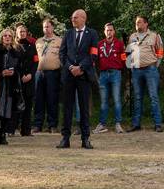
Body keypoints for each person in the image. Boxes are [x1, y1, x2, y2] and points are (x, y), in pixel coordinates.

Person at [57, 9, 97, 149]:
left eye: (75, 17)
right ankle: (65, 138)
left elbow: (93, 54)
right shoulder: (68, 33)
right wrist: (70, 68)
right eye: (72, 17)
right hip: (69, 75)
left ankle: (85, 138)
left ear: (83, 18)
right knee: (67, 107)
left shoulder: (92, 33)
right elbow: (62, 54)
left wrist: (80, 68)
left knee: (84, 107)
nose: (72, 19)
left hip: (84, 75)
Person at [125, 15, 164, 132]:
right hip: (136, 71)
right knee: (137, 97)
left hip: (150, 70)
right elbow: (128, 52)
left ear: (146, 24)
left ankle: (157, 124)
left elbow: (160, 51)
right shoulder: (132, 36)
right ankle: (136, 124)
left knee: (153, 97)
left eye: (140, 22)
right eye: (136, 23)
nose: (137, 24)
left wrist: (155, 65)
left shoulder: (155, 36)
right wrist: (131, 66)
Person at [0, 29, 23, 144]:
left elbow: (19, 68)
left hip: (10, 86)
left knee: (6, 111)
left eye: (9, 36)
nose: (7, 38)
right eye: (5, 36)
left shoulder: (16, 53)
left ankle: (3, 135)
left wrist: (13, 73)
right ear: (1, 38)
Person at [94, 23, 126, 134]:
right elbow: (95, 60)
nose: (109, 32)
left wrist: (121, 69)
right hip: (103, 75)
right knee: (103, 101)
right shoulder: (99, 44)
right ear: (104, 32)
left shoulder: (120, 44)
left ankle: (118, 124)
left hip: (115, 74)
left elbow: (124, 59)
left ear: (114, 32)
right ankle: (102, 124)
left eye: (111, 30)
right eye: (107, 30)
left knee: (117, 99)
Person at [33, 19, 63, 133]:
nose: (46, 29)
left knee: (52, 99)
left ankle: (52, 125)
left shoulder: (59, 41)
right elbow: (36, 58)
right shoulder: (38, 41)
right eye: (44, 27)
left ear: (53, 27)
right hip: (39, 73)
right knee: (38, 99)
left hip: (53, 73)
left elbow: (62, 57)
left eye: (48, 26)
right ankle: (37, 124)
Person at [15, 24, 35, 135]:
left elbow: (35, 61)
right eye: (20, 31)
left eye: (24, 31)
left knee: (28, 104)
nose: (22, 33)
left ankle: (26, 129)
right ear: (16, 33)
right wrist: (21, 75)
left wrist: (31, 74)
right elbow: (15, 63)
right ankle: (12, 128)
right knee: (16, 104)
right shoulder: (14, 46)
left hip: (30, 79)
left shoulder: (32, 46)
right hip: (18, 79)